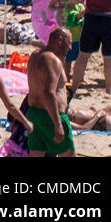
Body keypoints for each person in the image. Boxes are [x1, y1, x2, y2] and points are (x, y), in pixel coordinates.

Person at [25, 29, 75, 157]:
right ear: (59, 40)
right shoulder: (53, 60)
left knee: (36, 153)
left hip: (34, 113)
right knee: (68, 153)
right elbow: (49, 92)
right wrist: (58, 123)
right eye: (69, 43)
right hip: (51, 115)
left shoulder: (35, 56)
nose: (70, 48)